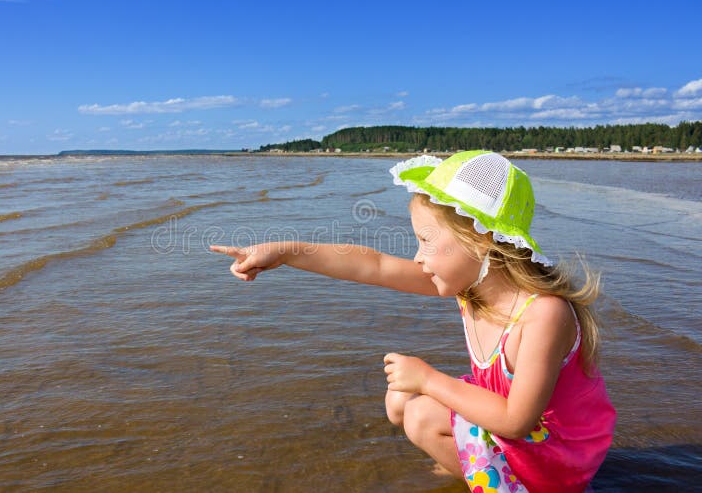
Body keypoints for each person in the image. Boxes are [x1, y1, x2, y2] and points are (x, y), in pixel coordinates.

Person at [210, 151, 615, 492]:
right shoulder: (470, 288)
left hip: (562, 455)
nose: (417, 256)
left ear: (481, 241)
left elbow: (516, 419)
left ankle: (509, 480)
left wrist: (428, 379)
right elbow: (375, 265)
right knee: (401, 402)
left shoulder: (544, 313)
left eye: (425, 240)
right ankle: (477, 464)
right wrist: (286, 251)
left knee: (421, 411)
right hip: (524, 433)